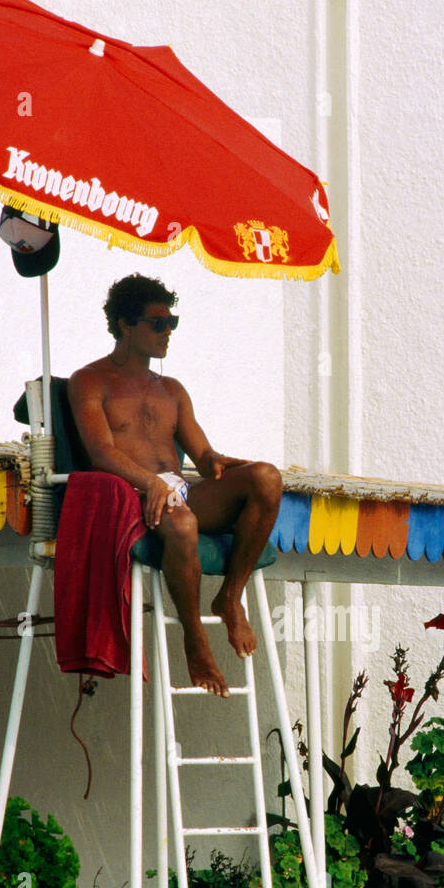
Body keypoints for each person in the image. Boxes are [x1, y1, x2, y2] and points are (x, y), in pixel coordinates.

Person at [68, 274, 283, 697]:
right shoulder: (90, 380)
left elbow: (202, 455)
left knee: (267, 477)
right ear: (125, 325)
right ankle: (195, 638)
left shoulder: (172, 389)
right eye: (157, 324)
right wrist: (150, 483)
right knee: (183, 525)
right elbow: (101, 452)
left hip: (178, 491)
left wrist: (215, 461)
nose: (168, 333)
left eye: (173, 323)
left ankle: (229, 598)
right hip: (132, 495)